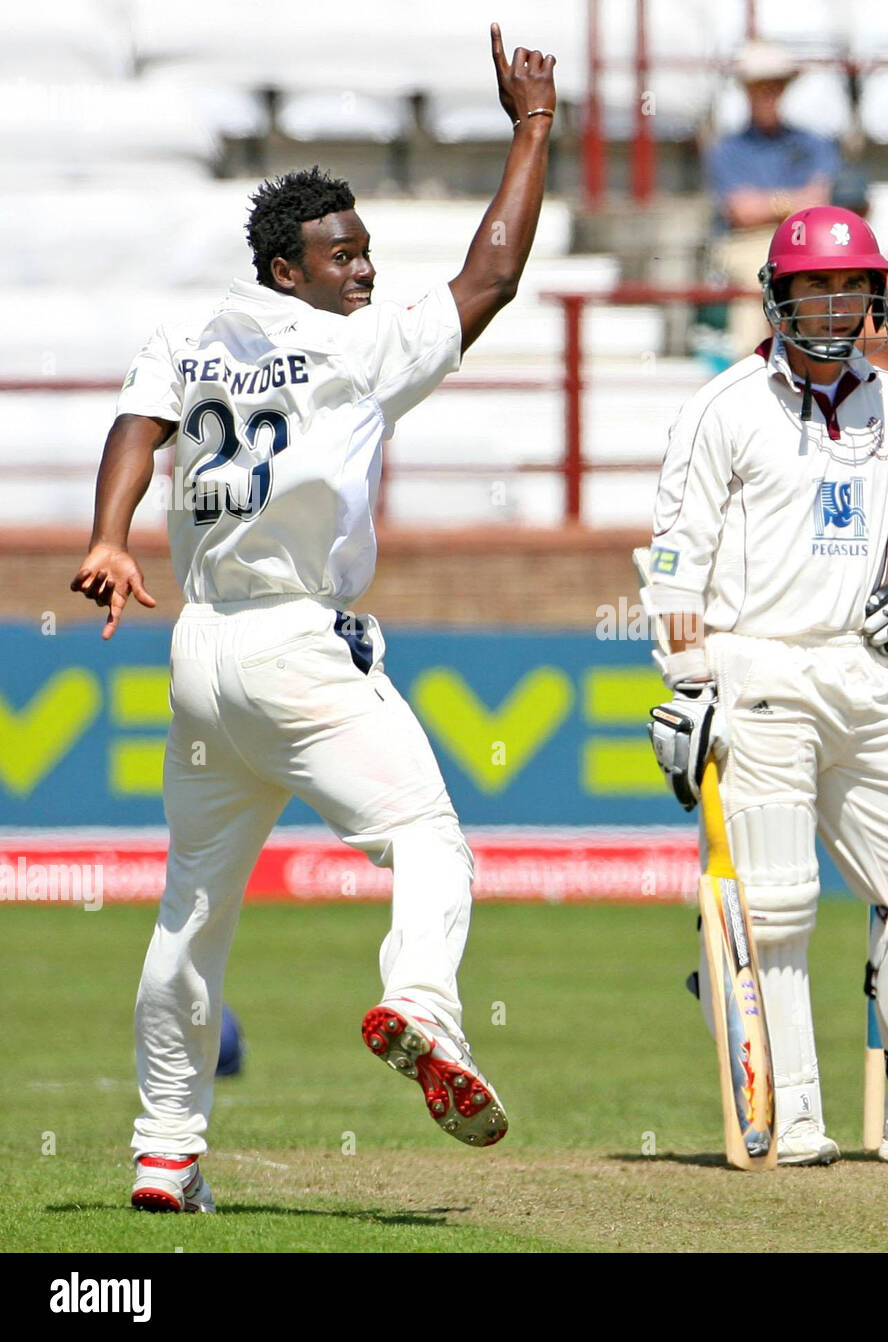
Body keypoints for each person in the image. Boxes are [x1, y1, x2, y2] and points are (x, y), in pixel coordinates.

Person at [69, 26, 556, 1214]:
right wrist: (534, 126)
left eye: (368, 252)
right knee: (432, 843)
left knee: (191, 910)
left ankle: (165, 1152)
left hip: (200, 656)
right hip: (292, 644)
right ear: (286, 269)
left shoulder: (192, 334)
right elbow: (490, 276)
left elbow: (138, 427)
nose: (365, 272)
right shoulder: (352, 347)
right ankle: (424, 1010)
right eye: (343, 254)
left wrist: (108, 535)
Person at [641, 205, 888, 1167]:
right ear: (776, 296)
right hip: (756, 668)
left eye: (847, 287)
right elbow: (675, 563)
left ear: (873, 297)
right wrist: (688, 683)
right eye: (811, 287)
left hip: (866, 674)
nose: (830, 306)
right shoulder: (723, 406)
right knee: (776, 904)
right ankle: (795, 1122)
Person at [706, 40, 841, 358]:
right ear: (747, 91)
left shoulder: (812, 142)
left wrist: (769, 205)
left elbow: (818, 201)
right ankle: (750, 364)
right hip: (749, 245)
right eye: (760, 87)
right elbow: (741, 212)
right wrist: (792, 203)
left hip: (804, 242)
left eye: (773, 86)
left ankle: (818, 362)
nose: (768, 94)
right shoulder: (728, 149)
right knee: (760, 277)